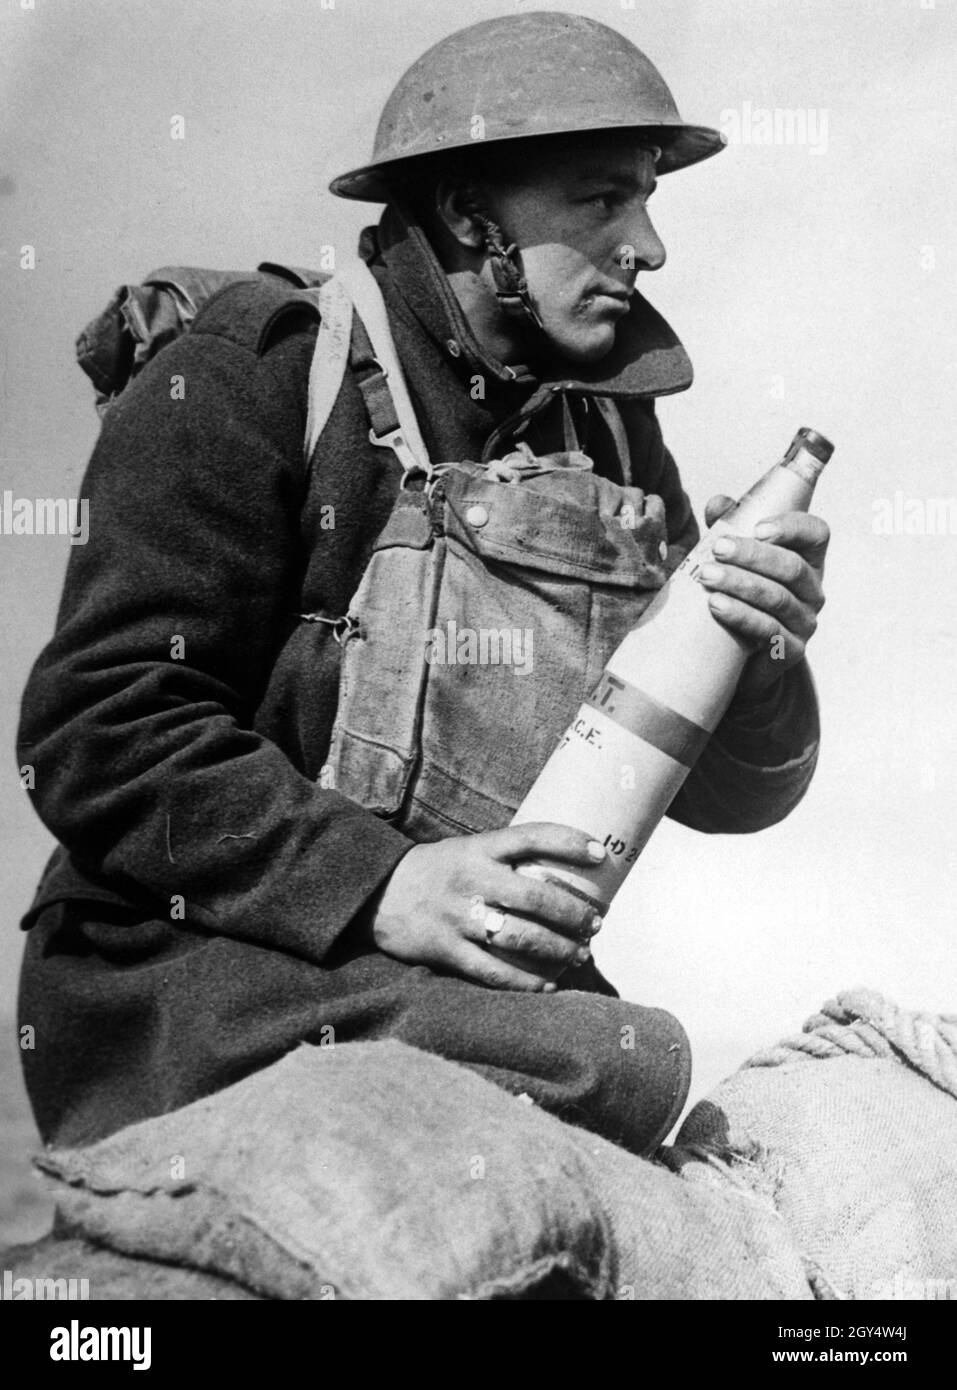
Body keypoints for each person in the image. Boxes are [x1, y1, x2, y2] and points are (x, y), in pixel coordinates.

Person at [16, 13, 827, 1156]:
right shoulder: (256, 369)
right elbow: (99, 730)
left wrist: (761, 643)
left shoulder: (608, 433)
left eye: (646, 200)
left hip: (447, 980)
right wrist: (384, 884)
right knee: (614, 1062)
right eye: (602, 200)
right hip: (193, 969)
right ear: (466, 211)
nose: (648, 246)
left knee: (639, 1065)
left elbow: (728, 797)